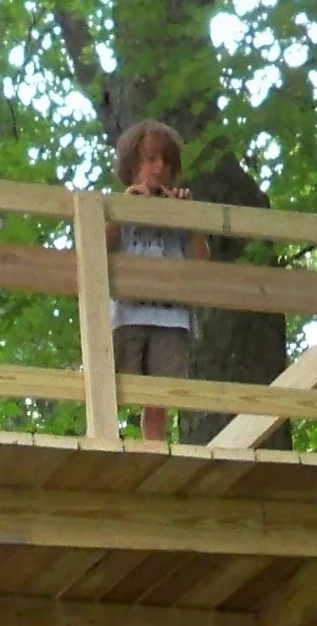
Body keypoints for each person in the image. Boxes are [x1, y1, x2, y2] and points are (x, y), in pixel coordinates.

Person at [109, 121, 207, 444]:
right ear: (132, 165)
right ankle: (107, 439)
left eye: (165, 161)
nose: (159, 167)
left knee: (159, 395)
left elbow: (201, 262)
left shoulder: (177, 208)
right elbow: (98, 245)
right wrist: (122, 208)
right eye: (151, 159)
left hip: (171, 317)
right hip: (128, 314)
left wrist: (189, 219)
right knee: (116, 383)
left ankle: (153, 446)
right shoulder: (119, 206)